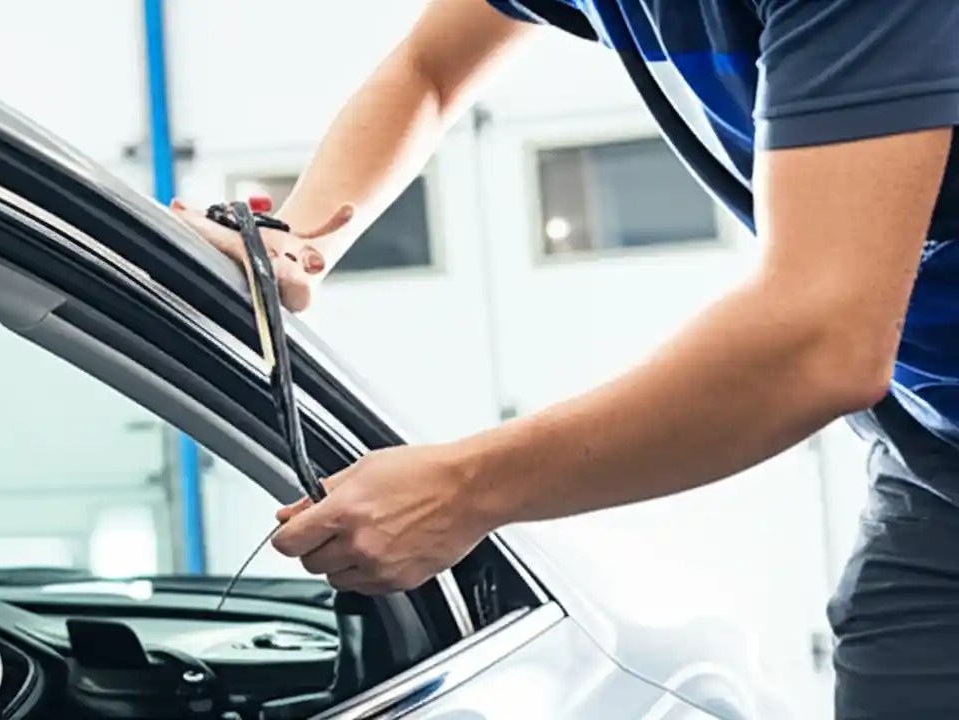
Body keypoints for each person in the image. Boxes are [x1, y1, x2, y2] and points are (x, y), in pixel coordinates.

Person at [171, 2, 959, 717]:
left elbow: (821, 343)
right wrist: (295, 242)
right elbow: (431, 67)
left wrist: (465, 489)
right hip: (933, 460)